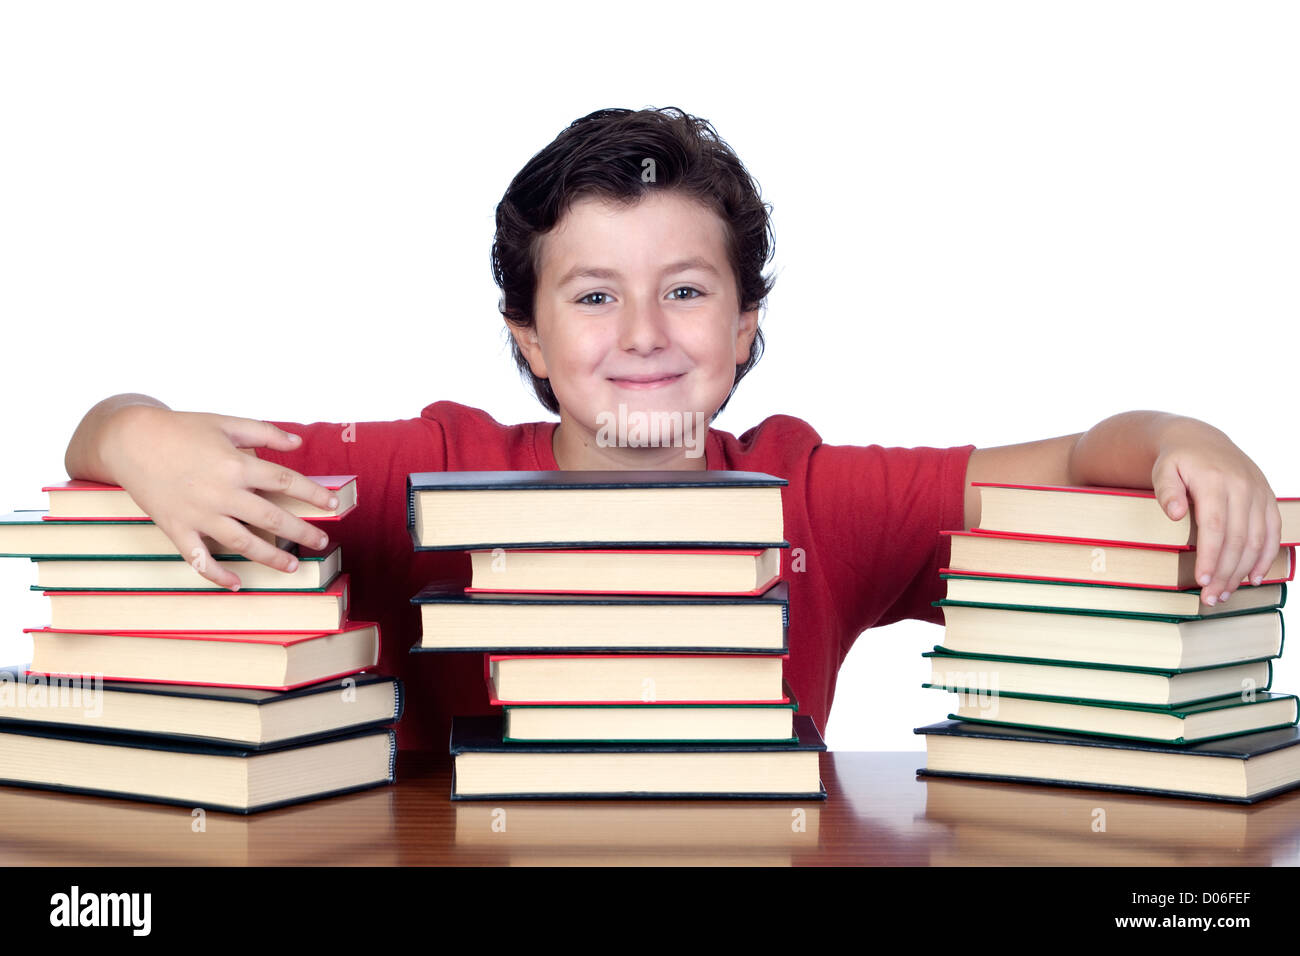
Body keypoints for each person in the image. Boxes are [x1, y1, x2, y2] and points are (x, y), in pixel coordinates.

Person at [63, 107, 1284, 753]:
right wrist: (131, 430)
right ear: (527, 338)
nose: (642, 329)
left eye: (686, 289)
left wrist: (1184, 431)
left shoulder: (815, 496)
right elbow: (114, 441)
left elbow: (1077, 461)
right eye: (592, 295)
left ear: (746, 324)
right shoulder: (426, 468)